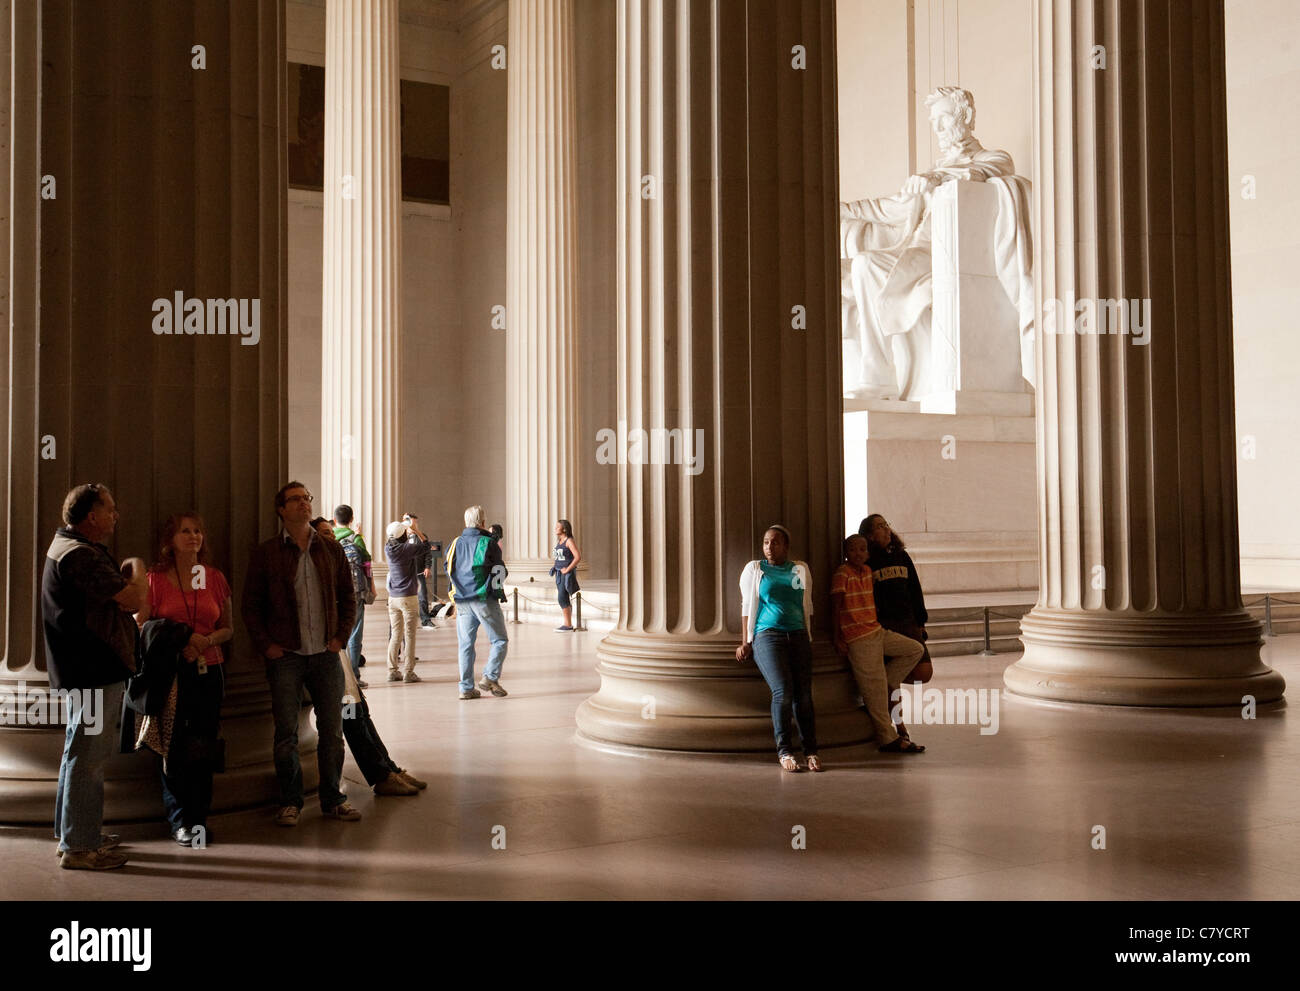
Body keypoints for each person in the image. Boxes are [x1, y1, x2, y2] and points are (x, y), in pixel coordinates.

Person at [242, 481, 361, 827]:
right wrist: (266, 645)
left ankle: (332, 799)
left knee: (332, 731)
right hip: (287, 656)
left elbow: (348, 597)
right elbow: (251, 606)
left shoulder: (330, 549)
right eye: (295, 500)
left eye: (306, 498)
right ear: (281, 509)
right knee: (286, 734)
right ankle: (291, 801)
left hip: (325, 653)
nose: (303, 504)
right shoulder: (267, 553)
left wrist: (341, 637)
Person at [43, 483, 148, 869]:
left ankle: (72, 833)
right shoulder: (81, 556)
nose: (115, 515)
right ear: (91, 516)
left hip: (82, 669)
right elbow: (137, 600)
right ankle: (80, 847)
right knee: (88, 757)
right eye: (111, 509)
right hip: (93, 669)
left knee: (78, 751)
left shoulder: (67, 548)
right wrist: (137, 565)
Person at [134, 512, 235, 844]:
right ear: (170, 541)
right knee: (173, 747)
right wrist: (181, 639)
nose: (193, 536)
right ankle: (179, 821)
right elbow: (141, 627)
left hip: (210, 670)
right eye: (185, 531)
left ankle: (199, 819)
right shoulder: (155, 579)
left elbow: (228, 629)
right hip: (172, 673)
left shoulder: (215, 577)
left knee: (203, 745)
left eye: (197, 531)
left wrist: (205, 641)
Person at [313, 519, 427, 797]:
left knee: (360, 712)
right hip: (321, 656)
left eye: (331, 534)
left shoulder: (334, 568)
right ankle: (380, 774)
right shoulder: (314, 570)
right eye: (324, 534)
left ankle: (388, 769)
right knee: (350, 716)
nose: (331, 539)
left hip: (335, 652)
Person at [736, 525, 821, 773]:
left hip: (798, 635)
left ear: (786, 546)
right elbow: (746, 606)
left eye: (775, 543)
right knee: (782, 691)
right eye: (765, 543)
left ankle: (811, 750)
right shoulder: (755, 569)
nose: (769, 547)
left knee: (804, 695)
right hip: (767, 635)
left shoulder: (800, 569)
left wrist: (808, 636)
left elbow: (808, 606)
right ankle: (784, 750)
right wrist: (746, 641)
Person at [830, 533, 926, 753]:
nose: (858, 553)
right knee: (875, 692)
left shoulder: (868, 572)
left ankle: (889, 680)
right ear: (846, 552)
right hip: (858, 638)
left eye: (862, 549)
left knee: (914, 649)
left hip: (876, 631)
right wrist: (838, 638)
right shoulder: (841, 573)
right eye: (853, 549)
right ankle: (888, 738)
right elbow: (835, 607)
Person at [859, 513, 933, 744]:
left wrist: (921, 621)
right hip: (886, 626)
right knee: (895, 684)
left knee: (924, 673)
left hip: (908, 622)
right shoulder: (868, 562)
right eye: (880, 527)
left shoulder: (902, 556)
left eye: (886, 525)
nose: (886, 530)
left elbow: (915, 589)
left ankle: (887, 682)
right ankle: (899, 724)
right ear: (870, 535)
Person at [445, 505, 508, 700]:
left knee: (465, 645)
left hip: (462, 600)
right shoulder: (488, 542)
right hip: (483, 598)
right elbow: (499, 571)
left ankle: (466, 688)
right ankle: (490, 677)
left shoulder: (455, 543)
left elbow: (449, 569)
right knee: (499, 640)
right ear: (482, 523)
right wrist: (498, 592)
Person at [332, 505, 375, 686]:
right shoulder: (356, 538)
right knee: (355, 633)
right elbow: (367, 563)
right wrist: (371, 587)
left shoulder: (329, 536)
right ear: (351, 519)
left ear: (334, 520)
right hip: (355, 590)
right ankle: (354, 677)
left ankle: (338, 675)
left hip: (334, 591)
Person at [385, 516, 428, 683]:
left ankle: (392, 670)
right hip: (408, 597)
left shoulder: (388, 548)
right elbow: (425, 545)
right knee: (409, 635)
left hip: (393, 597)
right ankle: (408, 672)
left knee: (395, 635)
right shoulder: (407, 549)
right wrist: (415, 530)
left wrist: (403, 530)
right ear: (403, 535)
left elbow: (397, 539)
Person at [550, 519, 582, 631]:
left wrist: (567, 569)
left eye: (557, 526)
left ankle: (568, 624)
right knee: (562, 596)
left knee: (562, 597)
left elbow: (577, 556)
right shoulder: (559, 541)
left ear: (564, 529)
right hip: (558, 573)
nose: (555, 528)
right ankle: (567, 623)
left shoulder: (569, 541)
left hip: (566, 573)